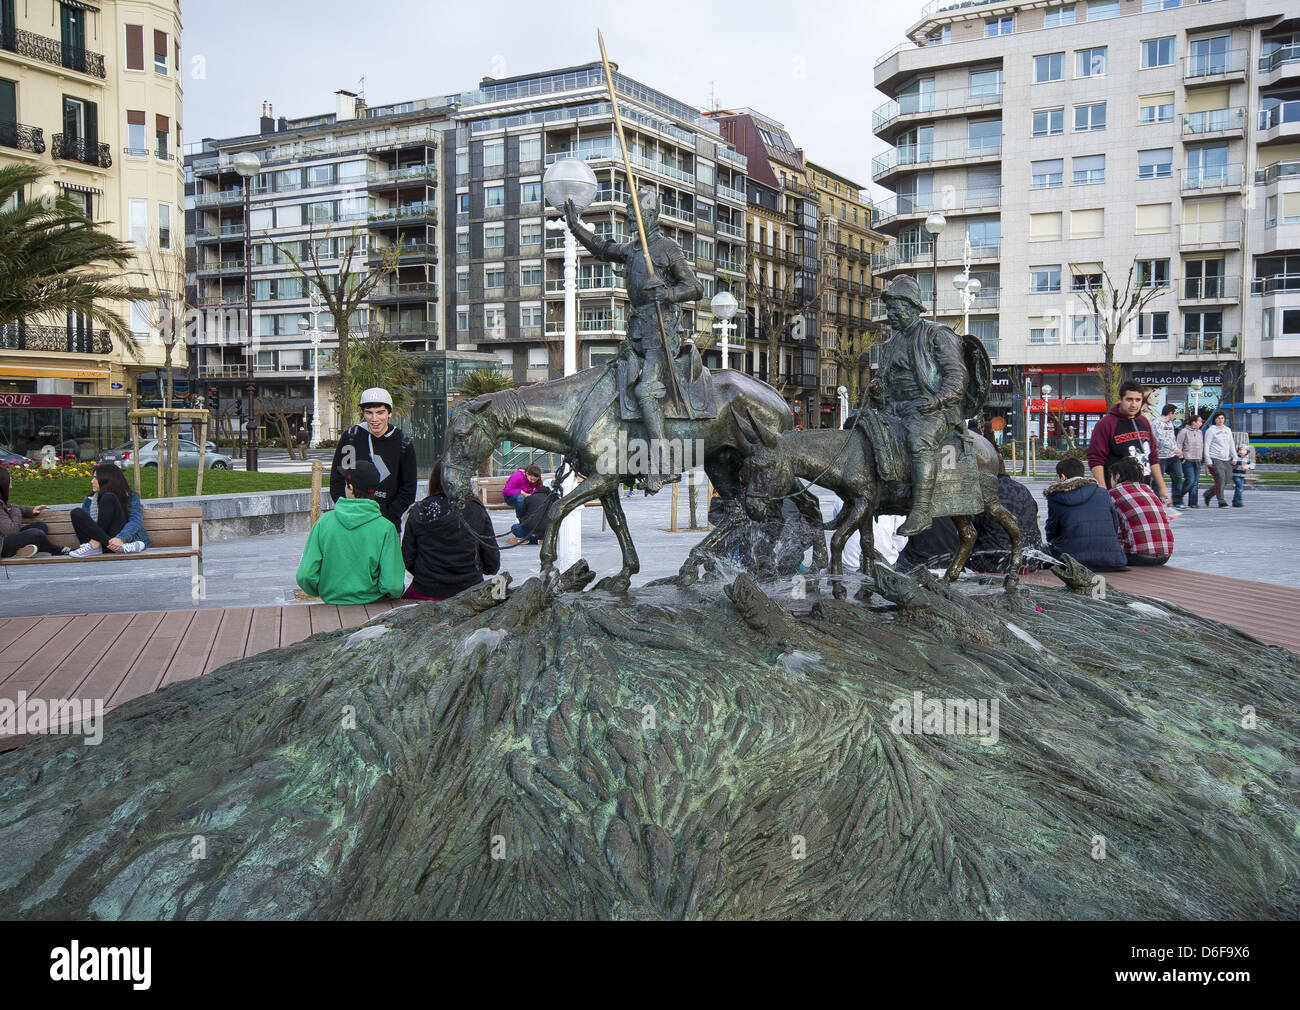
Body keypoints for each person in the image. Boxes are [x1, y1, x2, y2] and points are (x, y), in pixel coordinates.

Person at [564, 186, 703, 493]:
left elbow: (695, 288)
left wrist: (667, 293)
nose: (629, 218)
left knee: (646, 391)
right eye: (628, 213)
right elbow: (603, 248)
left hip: (662, 333)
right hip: (637, 331)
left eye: (635, 214)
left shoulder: (667, 248)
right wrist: (576, 227)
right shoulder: (632, 250)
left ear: (652, 216)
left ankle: (663, 465)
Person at [868, 276, 971, 536]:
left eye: (895, 308)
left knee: (918, 440)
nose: (890, 314)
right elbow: (885, 381)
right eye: (889, 309)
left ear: (912, 307)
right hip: (896, 409)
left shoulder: (937, 335)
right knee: (861, 434)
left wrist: (936, 400)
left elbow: (957, 378)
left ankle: (921, 510)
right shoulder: (890, 345)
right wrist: (878, 389)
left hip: (933, 409)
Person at [296, 460, 405, 604]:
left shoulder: (324, 523)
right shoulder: (386, 528)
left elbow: (305, 575)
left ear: (350, 487)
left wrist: (321, 591)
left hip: (332, 604)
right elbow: (393, 585)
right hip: (374, 607)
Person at [401, 457, 500, 601]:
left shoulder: (419, 510)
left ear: (434, 479)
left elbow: (408, 558)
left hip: (427, 590)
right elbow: (492, 563)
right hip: (469, 591)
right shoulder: (476, 509)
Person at [329, 388, 418, 534]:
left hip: (387, 525)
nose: (374, 419)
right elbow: (339, 479)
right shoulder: (351, 437)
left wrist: (386, 517)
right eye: (369, 412)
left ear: (389, 413)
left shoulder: (403, 443)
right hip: (352, 524)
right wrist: (348, 513)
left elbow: (408, 490)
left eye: (380, 412)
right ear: (363, 414)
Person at [1087, 380, 1171, 505]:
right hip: (1117, 492)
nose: (1134, 404)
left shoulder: (1144, 421)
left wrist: (1163, 489)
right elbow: (1095, 459)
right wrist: (1103, 491)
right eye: (1129, 399)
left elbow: (1152, 457)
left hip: (1143, 489)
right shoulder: (1106, 423)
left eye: (1138, 400)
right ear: (1120, 399)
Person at [1043, 457, 1127, 572]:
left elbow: (1052, 530)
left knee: (1041, 551)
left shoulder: (1056, 496)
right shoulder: (1103, 493)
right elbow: (1114, 524)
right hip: (1111, 558)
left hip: (1073, 559)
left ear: (1062, 477)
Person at [966, 460, 1043, 573]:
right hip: (1027, 561)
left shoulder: (984, 491)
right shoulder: (1023, 489)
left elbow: (971, 530)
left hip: (992, 562)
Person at [67, 463, 150, 558]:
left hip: (119, 539)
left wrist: (120, 539)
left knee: (108, 497)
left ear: (106, 480)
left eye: (96, 478)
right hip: (98, 546)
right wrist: (98, 539)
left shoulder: (130, 497)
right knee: (76, 513)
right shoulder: (89, 499)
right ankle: (107, 546)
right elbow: (86, 526)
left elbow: (135, 521)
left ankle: (102, 544)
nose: (92, 481)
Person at [1108, 458, 1174, 566]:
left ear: (1117, 476)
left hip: (1138, 555)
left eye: (1111, 476)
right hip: (1165, 555)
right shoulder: (1148, 490)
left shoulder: (1113, 493)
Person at [0, 466, 68, 558]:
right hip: (2, 546)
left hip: (5, 540)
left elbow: (12, 507)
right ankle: (58, 550)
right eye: (8, 476)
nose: (11, 478)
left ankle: (21, 551)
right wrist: (16, 511)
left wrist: (32, 509)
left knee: (40, 526)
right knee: (36, 534)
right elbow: (11, 531)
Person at [1202, 411, 1236, 509]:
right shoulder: (1211, 430)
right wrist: (1208, 460)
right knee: (1220, 478)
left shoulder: (1227, 430)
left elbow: (1231, 444)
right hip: (1215, 457)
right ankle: (1221, 501)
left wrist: (1235, 457)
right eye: (1218, 418)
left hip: (1227, 458)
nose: (1220, 420)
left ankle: (1208, 494)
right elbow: (1207, 445)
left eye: (1222, 418)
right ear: (1215, 420)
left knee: (1227, 478)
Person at [1152, 403, 1183, 508]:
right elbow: (1159, 439)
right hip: (1160, 456)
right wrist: (1174, 448)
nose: (1176, 415)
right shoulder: (1157, 422)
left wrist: (1176, 450)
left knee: (1178, 477)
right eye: (1175, 413)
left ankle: (1178, 501)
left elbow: (1172, 438)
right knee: (1158, 479)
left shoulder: (1170, 423)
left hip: (1173, 456)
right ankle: (1156, 501)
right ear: (1170, 413)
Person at [1175, 413, 1204, 507]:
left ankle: (1193, 502)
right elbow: (1179, 444)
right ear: (1194, 422)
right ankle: (1178, 497)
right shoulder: (1184, 431)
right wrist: (1181, 457)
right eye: (1199, 421)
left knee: (1195, 482)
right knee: (1190, 480)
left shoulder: (1199, 432)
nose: (1201, 423)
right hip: (1188, 459)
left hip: (1198, 459)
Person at [1231, 444, 1252, 509]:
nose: (1241, 451)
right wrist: (1233, 464)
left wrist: (1248, 466)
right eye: (1240, 450)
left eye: (1243, 450)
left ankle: (1235, 501)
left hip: (1242, 476)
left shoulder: (1247, 459)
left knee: (1239, 488)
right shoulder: (1235, 458)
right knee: (1240, 488)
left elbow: (1251, 465)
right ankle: (1238, 502)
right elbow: (1232, 465)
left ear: (1247, 452)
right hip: (1235, 475)